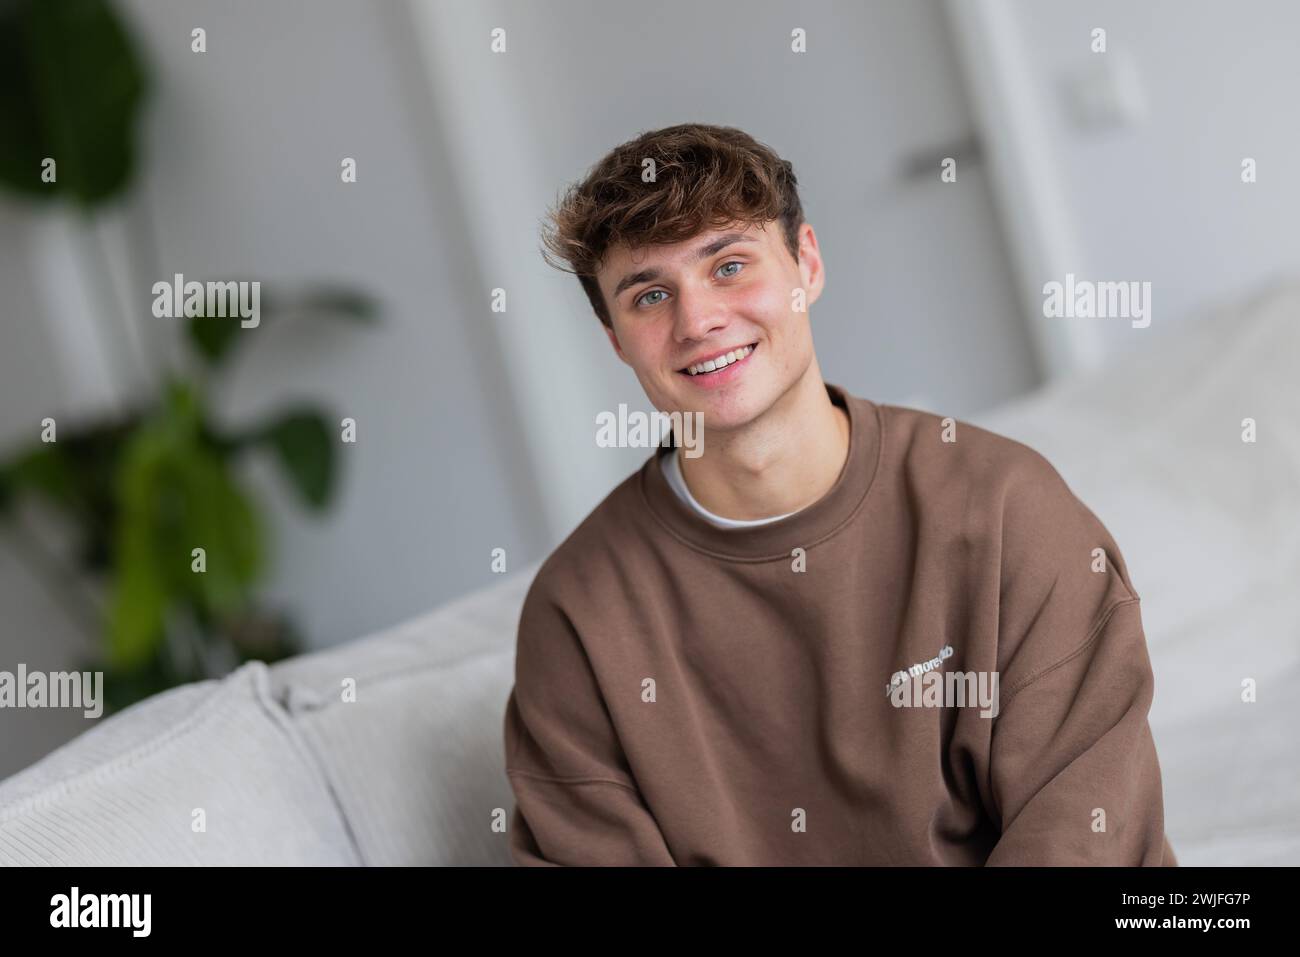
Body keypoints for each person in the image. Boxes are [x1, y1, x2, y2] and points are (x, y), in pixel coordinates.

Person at [502, 122, 1176, 866]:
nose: (697, 321)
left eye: (728, 266)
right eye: (650, 294)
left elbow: (1082, 838)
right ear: (616, 340)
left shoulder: (1007, 508)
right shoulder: (576, 616)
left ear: (807, 265)